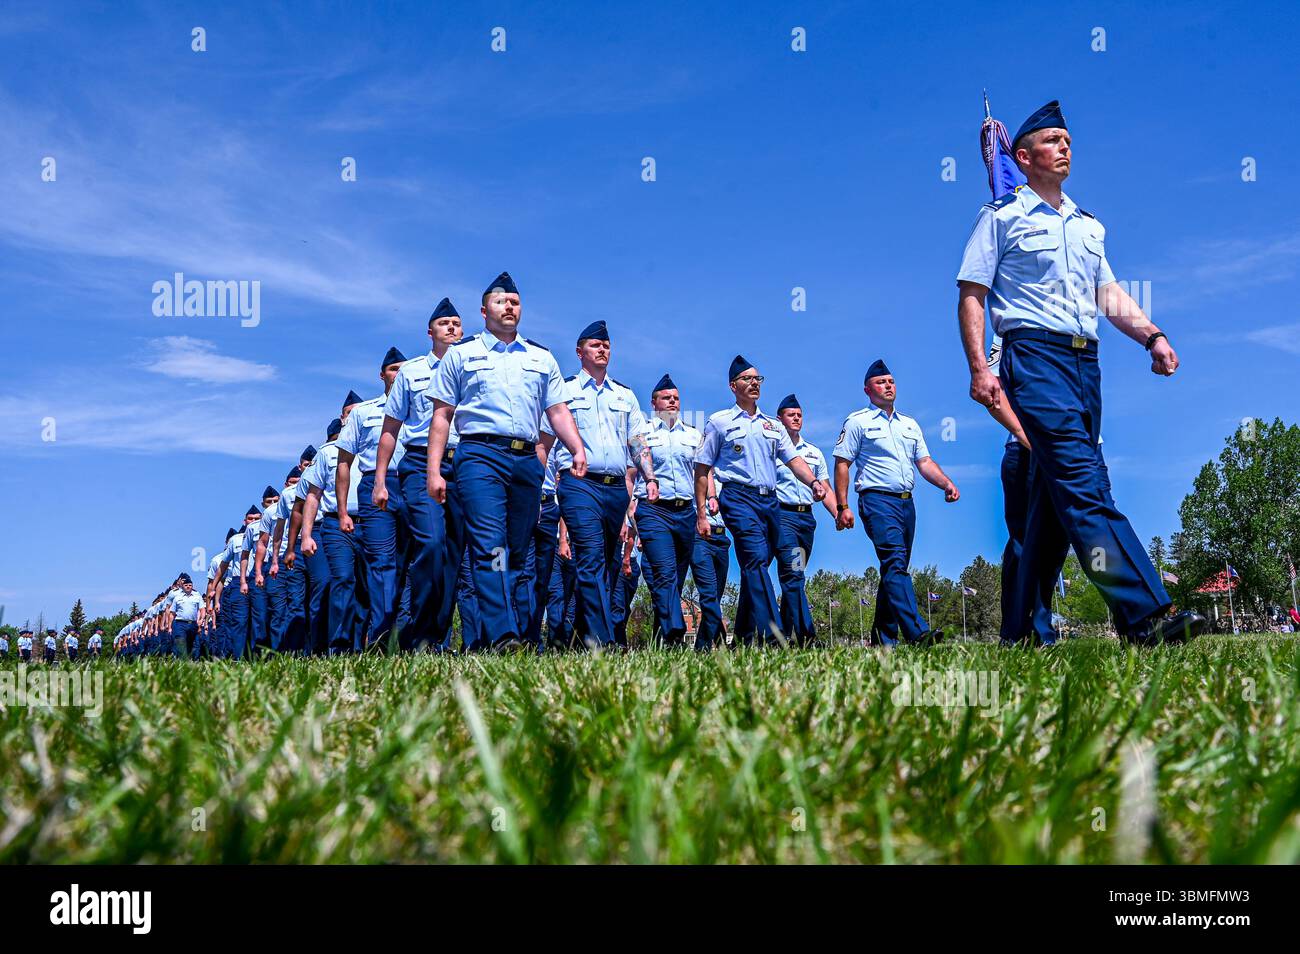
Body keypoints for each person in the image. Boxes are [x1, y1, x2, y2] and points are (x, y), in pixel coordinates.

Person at [956, 99, 1205, 646]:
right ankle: (1144, 618)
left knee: (1051, 504)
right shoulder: (1001, 217)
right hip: (1034, 358)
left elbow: (1108, 295)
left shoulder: (1087, 225)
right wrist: (980, 368)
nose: (1064, 146)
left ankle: (1021, 632)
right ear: (1021, 157)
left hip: (1084, 364)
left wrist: (1153, 336)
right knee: (1087, 484)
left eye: (1067, 139)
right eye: (1051, 140)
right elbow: (972, 293)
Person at [426, 271, 588, 651]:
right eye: (501, 301)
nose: (509, 306)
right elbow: (442, 416)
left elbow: (558, 410)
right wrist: (434, 471)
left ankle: (493, 631)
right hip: (479, 456)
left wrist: (577, 447)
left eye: (515, 302)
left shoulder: (540, 357)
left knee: (515, 550)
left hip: (527, 461)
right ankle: (503, 633)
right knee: (489, 544)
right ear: (484, 311)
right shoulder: (462, 355)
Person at [694, 355, 828, 647]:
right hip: (738, 498)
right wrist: (702, 513)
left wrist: (814, 482)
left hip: (771, 503)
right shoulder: (719, 422)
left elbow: (794, 461)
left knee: (776, 566)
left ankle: (759, 634)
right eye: (747, 379)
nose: (754, 383)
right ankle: (773, 634)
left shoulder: (773, 426)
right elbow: (702, 468)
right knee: (755, 561)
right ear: (733, 386)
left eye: (758, 379)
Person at [833, 359, 957, 647]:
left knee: (894, 570)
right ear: (867, 390)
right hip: (876, 500)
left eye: (891, 381)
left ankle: (881, 640)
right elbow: (842, 464)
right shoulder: (858, 422)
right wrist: (843, 506)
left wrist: (946, 483)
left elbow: (924, 462)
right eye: (881, 382)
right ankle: (918, 633)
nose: (888, 386)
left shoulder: (910, 425)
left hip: (906, 503)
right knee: (895, 563)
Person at [548, 320, 656, 650]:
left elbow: (637, 439)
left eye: (607, 346)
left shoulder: (624, 395)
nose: (603, 349)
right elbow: (544, 440)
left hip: (615, 490)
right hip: (578, 484)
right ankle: (603, 640)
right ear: (580, 352)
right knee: (591, 557)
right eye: (596, 345)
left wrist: (649, 477)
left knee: (607, 563)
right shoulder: (563, 391)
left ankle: (580, 635)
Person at [376, 298, 466, 651]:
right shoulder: (412, 372)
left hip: (464, 463)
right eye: (445, 324)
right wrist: (381, 480)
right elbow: (390, 428)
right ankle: (418, 624)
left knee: (455, 555)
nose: (452, 329)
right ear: (430, 332)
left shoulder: (474, 368)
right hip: (417, 463)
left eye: (457, 324)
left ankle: (433, 636)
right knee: (431, 543)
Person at [629, 373, 718, 648]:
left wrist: (708, 502)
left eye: (676, 398)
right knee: (665, 572)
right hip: (654, 511)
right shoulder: (641, 434)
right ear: (654, 402)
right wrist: (628, 512)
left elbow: (704, 473)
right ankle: (675, 631)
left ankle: (663, 637)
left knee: (676, 577)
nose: (673, 402)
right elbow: (631, 474)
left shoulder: (693, 434)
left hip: (686, 512)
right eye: (667, 397)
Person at [338, 347, 407, 650]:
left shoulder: (424, 408)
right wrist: (342, 510)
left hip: (414, 484)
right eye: (393, 369)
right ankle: (381, 636)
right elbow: (343, 462)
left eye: (403, 368)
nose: (399, 373)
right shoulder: (364, 413)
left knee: (415, 561)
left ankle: (410, 634)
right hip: (376, 486)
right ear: (382, 375)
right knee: (381, 563)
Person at [301, 397, 368, 655]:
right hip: (335, 525)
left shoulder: (373, 446)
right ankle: (339, 646)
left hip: (371, 522)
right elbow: (312, 496)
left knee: (367, 585)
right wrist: (307, 534)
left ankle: (362, 645)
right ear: (342, 418)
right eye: (349, 413)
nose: (353, 417)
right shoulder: (327, 453)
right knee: (342, 579)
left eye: (357, 412)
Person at [773, 394, 837, 647]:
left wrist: (838, 511)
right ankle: (807, 636)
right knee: (793, 574)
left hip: (805, 520)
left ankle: (780, 637)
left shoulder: (813, 453)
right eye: (791, 414)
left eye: (800, 414)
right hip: (783, 517)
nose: (797, 418)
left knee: (795, 577)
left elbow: (825, 489)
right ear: (780, 419)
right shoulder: (773, 451)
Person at [252, 467, 303, 652]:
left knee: (298, 603)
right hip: (278, 563)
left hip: (300, 556)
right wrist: (259, 571)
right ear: (286, 485)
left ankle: (299, 650)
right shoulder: (271, 512)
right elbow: (262, 543)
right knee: (279, 609)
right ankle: (278, 651)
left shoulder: (311, 498)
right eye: (292, 483)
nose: (296, 486)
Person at [241, 484, 281, 654]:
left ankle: (277, 651)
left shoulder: (284, 516)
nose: (272, 503)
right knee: (260, 615)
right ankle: (258, 654)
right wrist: (244, 579)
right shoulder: (252, 528)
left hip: (277, 566)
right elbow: (244, 555)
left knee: (277, 611)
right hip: (259, 571)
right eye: (269, 501)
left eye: (275, 501)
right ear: (263, 503)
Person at [164, 573, 206, 657]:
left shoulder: (197, 596)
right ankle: (181, 660)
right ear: (182, 585)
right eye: (186, 585)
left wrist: (201, 619)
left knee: (191, 643)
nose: (188, 586)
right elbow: (171, 612)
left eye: (190, 585)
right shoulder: (177, 597)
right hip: (180, 623)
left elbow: (202, 609)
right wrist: (169, 626)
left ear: (192, 586)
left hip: (193, 623)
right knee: (180, 642)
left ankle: (190, 660)